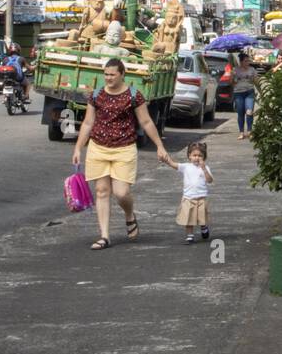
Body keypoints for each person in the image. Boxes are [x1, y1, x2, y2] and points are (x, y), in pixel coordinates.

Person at [71, 58, 172, 250]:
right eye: (106, 74)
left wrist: (159, 146)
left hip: (124, 149)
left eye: (112, 74)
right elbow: (87, 123)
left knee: (121, 192)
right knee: (102, 191)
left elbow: (147, 122)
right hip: (98, 148)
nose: (108, 78)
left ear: (122, 74)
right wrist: (78, 148)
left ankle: (129, 215)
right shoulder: (96, 95)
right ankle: (104, 236)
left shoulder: (134, 95)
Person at [161, 141, 213, 244]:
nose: (197, 158)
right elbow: (173, 164)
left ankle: (204, 227)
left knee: (202, 217)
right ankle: (190, 236)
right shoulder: (186, 167)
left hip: (201, 197)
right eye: (194, 155)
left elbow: (210, 180)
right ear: (189, 156)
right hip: (188, 198)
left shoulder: (205, 168)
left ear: (204, 157)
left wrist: (204, 170)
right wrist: (166, 160)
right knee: (189, 218)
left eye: (200, 156)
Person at [231, 52, 257, 140]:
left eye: (248, 61)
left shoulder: (252, 70)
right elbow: (232, 83)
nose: (248, 63)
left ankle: (250, 131)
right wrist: (233, 77)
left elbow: (256, 81)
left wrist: (253, 80)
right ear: (241, 62)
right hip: (238, 93)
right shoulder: (235, 70)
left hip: (249, 92)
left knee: (249, 111)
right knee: (241, 113)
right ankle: (241, 132)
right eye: (246, 61)